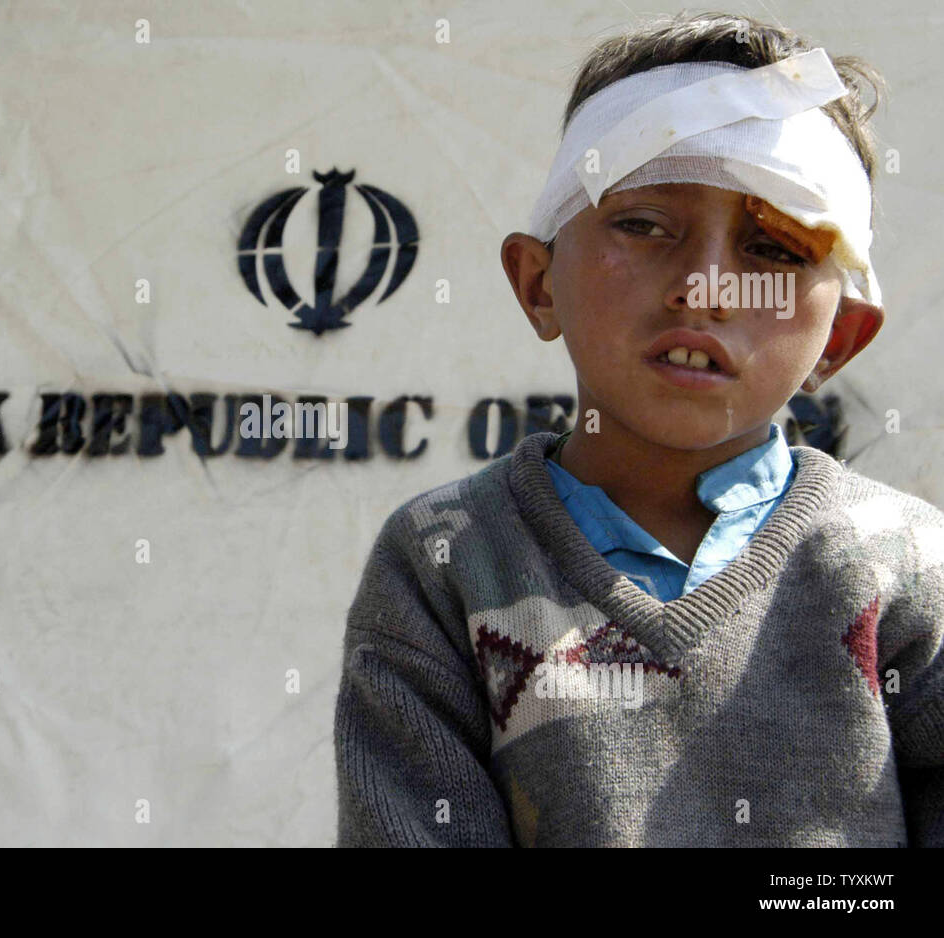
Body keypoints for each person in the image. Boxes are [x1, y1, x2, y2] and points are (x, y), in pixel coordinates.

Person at [333, 11, 944, 847]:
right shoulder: (445, 560)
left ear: (837, 341)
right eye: (645, 226)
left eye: (775, 251)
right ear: (539, 283)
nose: (705, 289)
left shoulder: (908, 564)